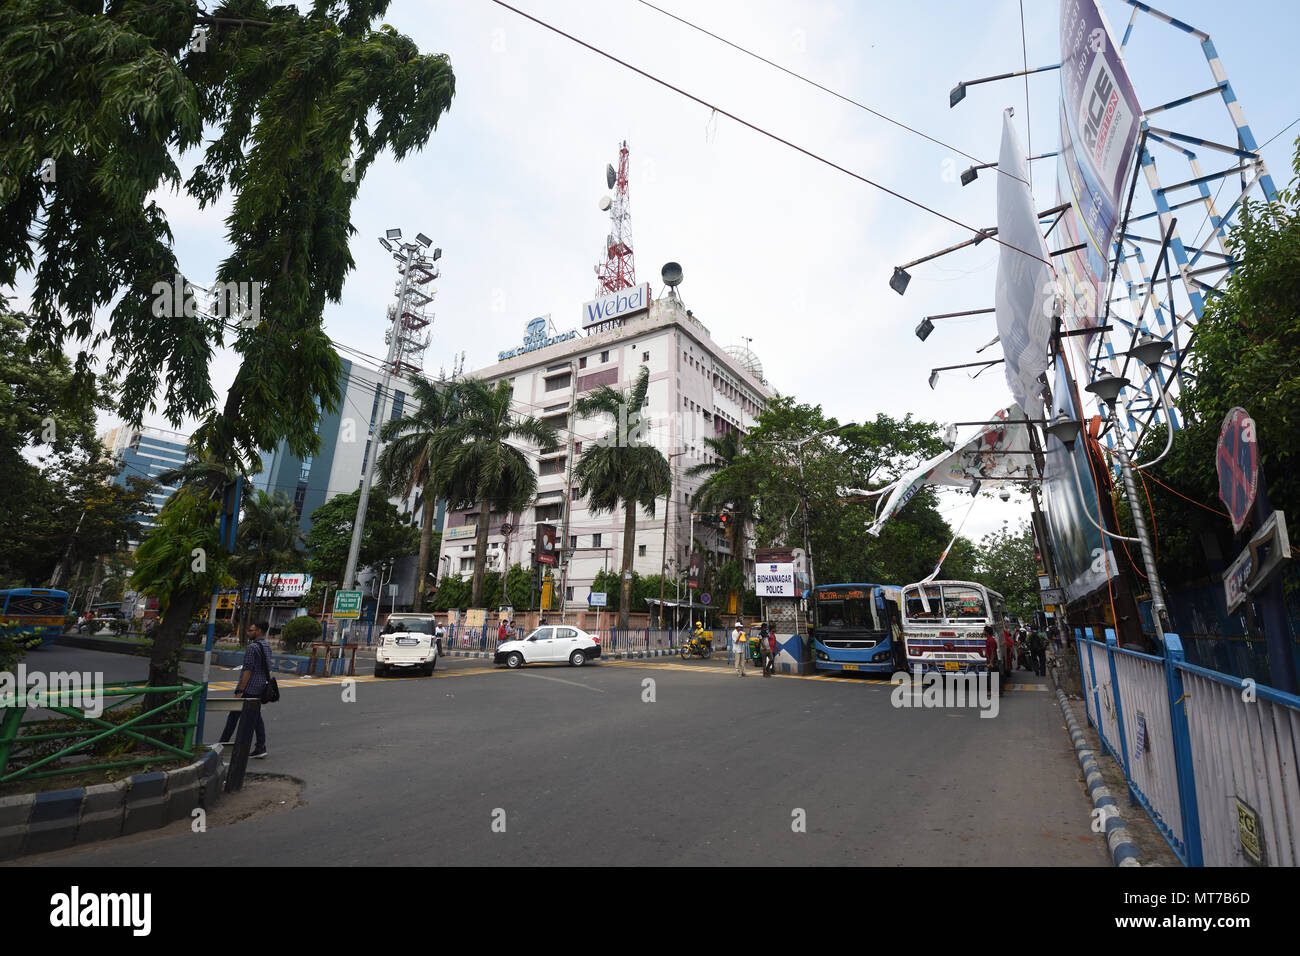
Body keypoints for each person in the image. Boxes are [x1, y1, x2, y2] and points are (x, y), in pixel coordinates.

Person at [218, 620, 272, 758]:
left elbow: (248, 670)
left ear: (259, 631)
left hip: (249, 688)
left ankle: (221, 746)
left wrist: (240, 690)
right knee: (256, 717)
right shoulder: (267, 646)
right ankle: (261, 746)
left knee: (233, 716)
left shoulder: (252, 647)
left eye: (251, 630)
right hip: (260, 686)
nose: (248, 632)